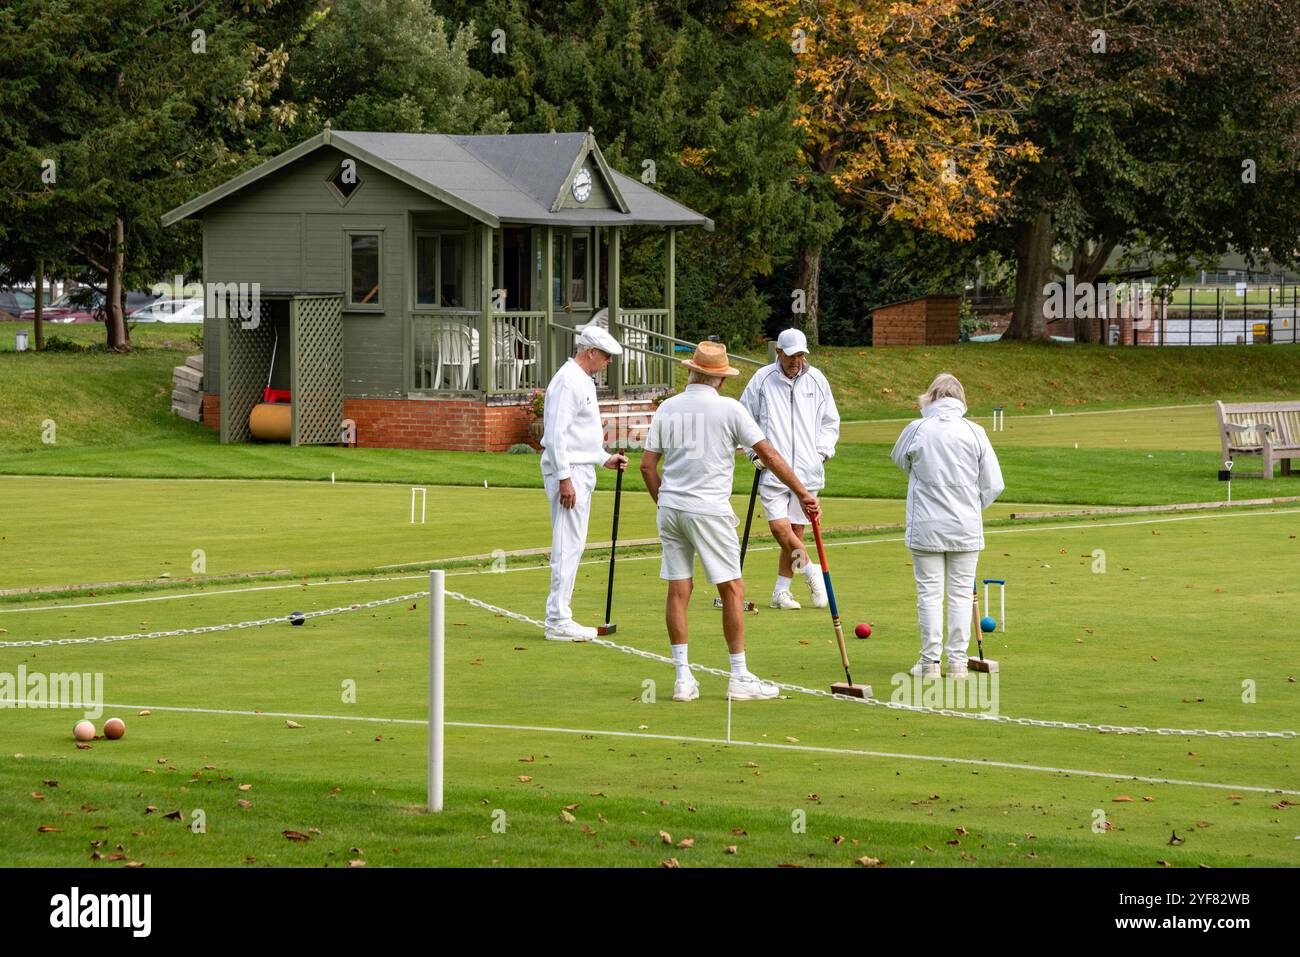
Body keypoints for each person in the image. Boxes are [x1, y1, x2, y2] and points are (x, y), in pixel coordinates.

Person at [640, 340, 819, 702]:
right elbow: (768, 455)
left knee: (678, 590)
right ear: (720, 378)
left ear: (692, 371)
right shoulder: (730, 410)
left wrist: (664, 503)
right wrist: (802, 491)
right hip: (709, 510)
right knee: (733, 589)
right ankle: (738, 677)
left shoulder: (668, 408)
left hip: (671, 509)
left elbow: (647, 466)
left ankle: (682, 680)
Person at [890, 373, 1004, 677]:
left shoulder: (917, 429)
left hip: (925, 525)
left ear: (930, 398)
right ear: (961, 399)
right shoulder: (976, 431)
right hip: (965, 527)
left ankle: (930, 662)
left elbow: (900, 460)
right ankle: (956, 662)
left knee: (929, 593)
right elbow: (993, 484)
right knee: (960, 593)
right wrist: (971, 506)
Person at [739, 327, 840, 610]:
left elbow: (830, 422)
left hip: (808, 471)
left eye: (801, 355)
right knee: (780, 529)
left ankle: (781, 592)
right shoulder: (762, 380)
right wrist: (752, 453)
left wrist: (821, 452)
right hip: (772, 470)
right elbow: (743, 419)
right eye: (791, 355)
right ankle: (811, 571)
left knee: (795, 531)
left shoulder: (817, 380)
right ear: (778, 352)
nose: (796, 361)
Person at [539, 326, 628, 641]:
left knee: (573, 545)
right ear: (591, 352)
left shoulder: (583, 381)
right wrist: (565, 479)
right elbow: (556, 435)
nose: (607, 363)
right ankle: (557, 620)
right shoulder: (568, 381)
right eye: (605, 357)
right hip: (570, 473)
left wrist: (603, 457)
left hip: (580, 469)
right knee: (567, 545)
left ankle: (561, 615)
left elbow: (579, 434)